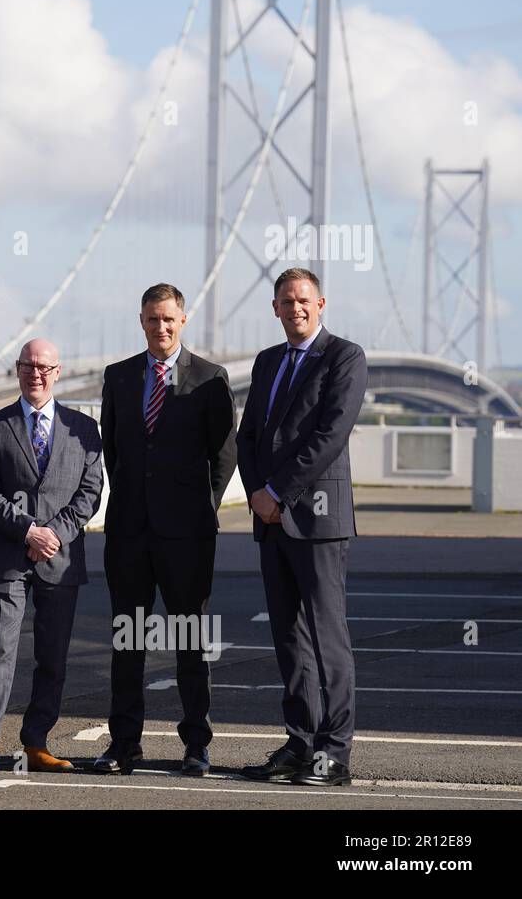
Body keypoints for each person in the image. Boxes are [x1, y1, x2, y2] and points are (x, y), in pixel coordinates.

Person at [91, 283, 237, 777]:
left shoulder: (210, 379)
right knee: (128, 641)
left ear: (183, 319)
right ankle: (123, 744)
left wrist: (202, 507)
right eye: (153, 319)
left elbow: (224, 454)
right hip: (129, 531)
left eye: (169, 319)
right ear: (141, 320)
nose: (161, 327)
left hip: (188, 535)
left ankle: (196, 744)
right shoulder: (119, 377)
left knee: (189, 642)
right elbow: (113, 445)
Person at [236, 267, 367, 787]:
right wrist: (256, 493)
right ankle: (300, 744)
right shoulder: (268, 361)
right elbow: (248, 436)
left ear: (321, 304)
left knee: (327, 639)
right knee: (289, 640)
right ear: (275, 308)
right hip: (271, 518)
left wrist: (278, 491)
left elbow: (331, 433)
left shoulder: (345, 357)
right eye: (286, 301)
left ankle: (334, 754)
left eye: (304, 300)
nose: (296, 308)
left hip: (318, 519)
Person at [0, 339, 103, 774]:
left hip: (60, 560)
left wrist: (53, 536)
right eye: (28, 366)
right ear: (18, 370)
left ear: (58, 372)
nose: (36, 374)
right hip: (8, 554)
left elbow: (90, 492)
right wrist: (28, 529)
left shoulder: (84, 429)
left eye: (44, 367)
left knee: (53, 657)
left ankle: (37, 743)